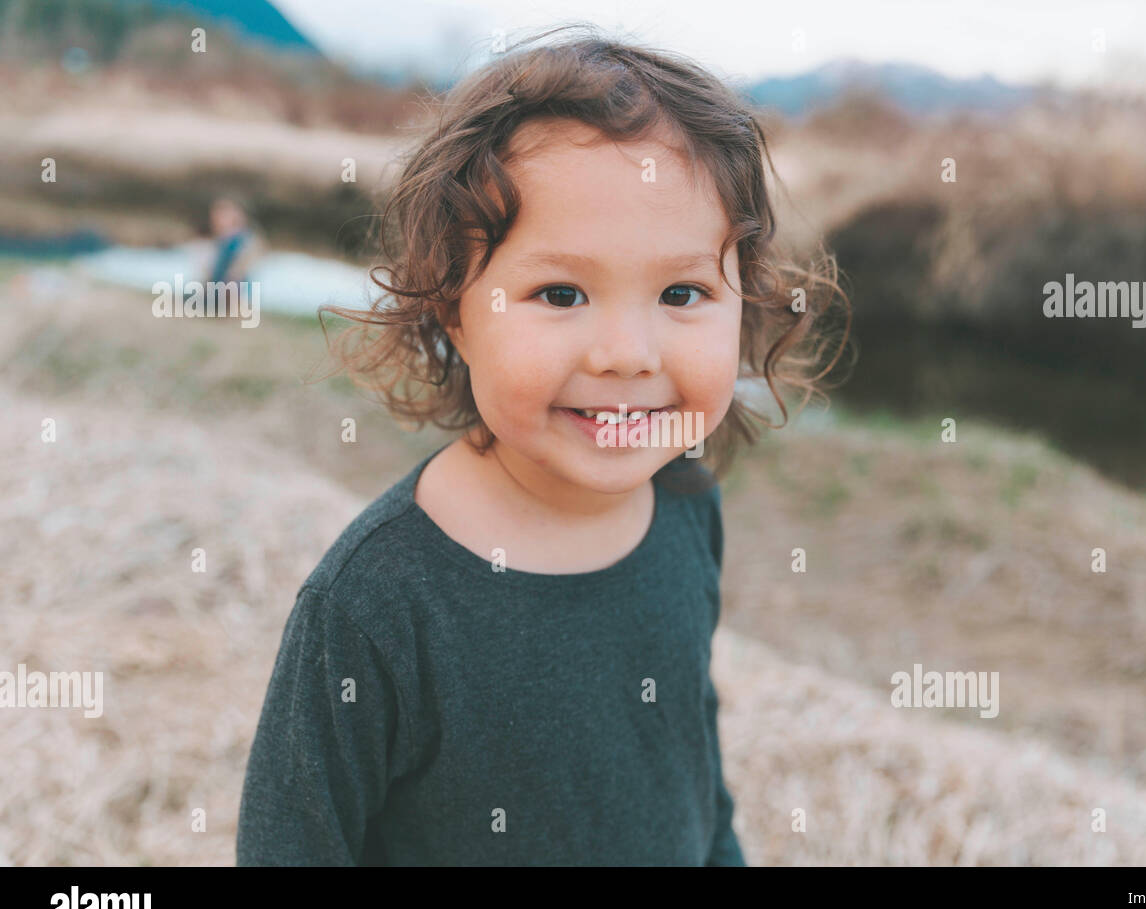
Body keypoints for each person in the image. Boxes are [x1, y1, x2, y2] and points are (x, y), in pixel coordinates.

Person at [235, 26, 850, 866]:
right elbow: (292, 846)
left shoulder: (687, 506)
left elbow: (692, 766)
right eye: (561, 293)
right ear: (454, 307)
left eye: (682, 291)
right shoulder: (374, 602)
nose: (625, 353)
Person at [206, 194, 266, 284]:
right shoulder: (222, 243)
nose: (215, 219)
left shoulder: (245, 241)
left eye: (222, 214)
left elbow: (238, 274)